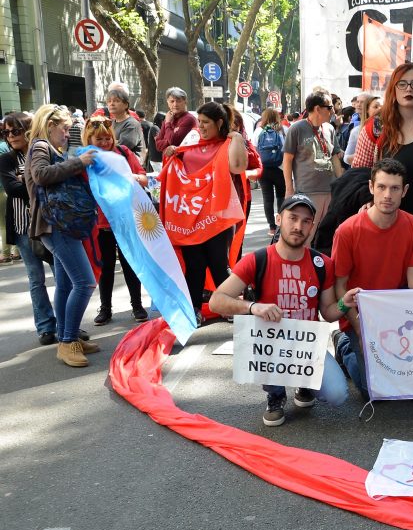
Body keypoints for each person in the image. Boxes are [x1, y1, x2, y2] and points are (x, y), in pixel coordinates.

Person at [210, 193, 348, 426]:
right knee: (265, 352)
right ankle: (275, 394)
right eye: (293, 218)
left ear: (312, 227)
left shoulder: (322, 263)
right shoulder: (258, 259)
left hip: (307, 346)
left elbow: (329, 312)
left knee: (337, 396)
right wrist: (252, 307)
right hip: (270, 344)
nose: (298, 226)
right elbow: (216, 301)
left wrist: (346, 303)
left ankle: (305, 384)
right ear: (279, 219)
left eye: (306, 221)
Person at [331, 158, 413, 411]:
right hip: (359, 317)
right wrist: (358, 327)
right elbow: (340, 287)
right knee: (374, 391)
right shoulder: (347, 231)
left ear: (405, 191)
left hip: (396, 318)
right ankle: (345, 346)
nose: (387, 195)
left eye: (394, 188)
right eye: (381, 187)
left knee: (402, 375)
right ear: (371, 187)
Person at [25, 104, 100, 367]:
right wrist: (78, 162)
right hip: (55, 225)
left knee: (68, 285)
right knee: (85, 283)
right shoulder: (41, 147)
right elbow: (42, 175)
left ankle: (68, 339)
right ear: (50, 125)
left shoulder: (42, 147)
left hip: (57, 225)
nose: (67, 134)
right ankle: (68, 342)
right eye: (65, 129)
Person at [160, 102, 248, 319]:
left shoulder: (228, 143)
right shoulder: (192, 139)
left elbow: (238, 166)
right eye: (199, 122)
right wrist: (171, 151)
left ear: (219, 123)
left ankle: (230, 308)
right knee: (194, 266)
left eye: (206, 122)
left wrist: (236, 137)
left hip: (218, 216)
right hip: (190, 217)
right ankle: (194, 310)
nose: (201, 126)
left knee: (219, 264)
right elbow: (177, 160)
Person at [351, 64, 413, 227]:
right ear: (394, 88)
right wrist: (368, 200)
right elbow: (359, 173)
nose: (409, 89)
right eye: (402, 84)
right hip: (390, 220)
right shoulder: (375, 127)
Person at [83, 115, 149, 325]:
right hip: (100, 224)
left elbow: (143, 177)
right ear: (89, 139)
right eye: (99, 139)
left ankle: (137, 305)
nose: (104, 143)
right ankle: (105, 308)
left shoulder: (123, 152)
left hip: (126, 220)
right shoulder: (84, 159)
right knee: (106, 267)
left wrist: (130, 177)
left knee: (131, 264)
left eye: (107, 138)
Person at [0, 112, 57, 344]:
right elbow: (12, 189)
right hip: (23, 227)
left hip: (49, 223)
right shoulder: (6, 159)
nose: (11, 136)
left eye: (15, 130)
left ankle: (67, 324)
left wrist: (26, 179)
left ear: (28, 130)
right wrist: (34, 181)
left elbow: (51, 183)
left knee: (62, 276)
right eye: (6, 132)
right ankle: (45, 327)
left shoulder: (44, 150)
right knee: (36, 279)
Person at [283, 89, 342, 238]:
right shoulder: (296, 129)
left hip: (330, 191)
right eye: (329, 107)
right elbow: (287, 160)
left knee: (327, 235)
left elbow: (334, 157)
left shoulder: (329, 128)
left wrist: (342, 184)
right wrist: (289, 189)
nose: (333, 111)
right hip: (307, 192)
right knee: (306, 236)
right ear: (317, 109)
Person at [255, 108, 287, 236]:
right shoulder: (283, 130)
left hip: (264, 169)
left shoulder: (258, 131)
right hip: (280, 168)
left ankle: (272, 227)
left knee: (267, 199)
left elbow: (254, 148)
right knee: (281, 197)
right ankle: (281, 225)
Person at [106, 83, 145, 160]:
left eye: (116, 101)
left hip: (129, 167)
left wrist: (111, 142)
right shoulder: (111, 122)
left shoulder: (132, 124)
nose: (112, 104)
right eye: (109, 101)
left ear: (126, 105)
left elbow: (120, 148)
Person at [155, 87, 198, 159]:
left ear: (185, 102)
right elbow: (158, 145)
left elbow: (173, 141)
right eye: (172, 101)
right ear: (167, 103)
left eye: (178, 101)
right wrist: (168, 141)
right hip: (169, 163)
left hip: (183, 164)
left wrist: (168, 123)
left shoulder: (189, 119)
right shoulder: (168, 118)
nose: (175, 104)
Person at [342, 96, 380, 166]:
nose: (359, 104)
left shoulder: (382, 127)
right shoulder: (356, 130)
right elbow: (346, 157)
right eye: (357, 101)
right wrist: (360, 156)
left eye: (362, 102)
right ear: (368, 109)